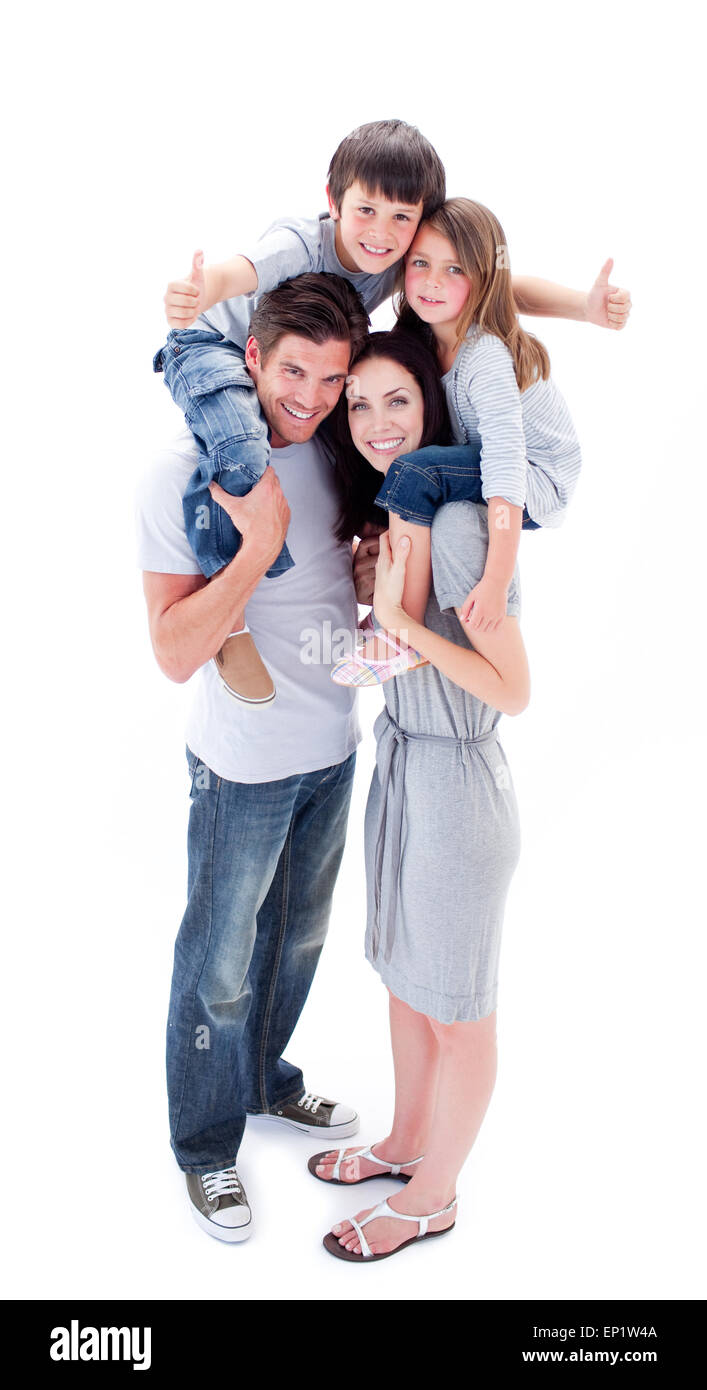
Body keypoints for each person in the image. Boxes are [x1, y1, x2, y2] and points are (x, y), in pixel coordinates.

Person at [156, 119, 629, 701]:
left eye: (402, 219)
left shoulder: (460, 330)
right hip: (218, 350)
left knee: (399, 460)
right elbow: (247, 268)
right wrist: (205, 290)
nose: (384, 237)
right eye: (368, 213)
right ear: (334, 202)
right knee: (295, 446)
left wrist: (585, 306)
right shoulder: (340, 264)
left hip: (534, 476)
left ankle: (391, 623)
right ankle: (280, 608)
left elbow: (504, 298)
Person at [135, 271, 373, 1244]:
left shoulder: (332, 447)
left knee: (298, 942)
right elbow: (173, 651)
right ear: (250, 361)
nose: (311, 395)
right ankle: (203, 1146)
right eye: (292, 372)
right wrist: (255, 544)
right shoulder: (179, 473)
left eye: (330, 376)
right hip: (239, 766)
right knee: (218, 964)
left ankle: (265, 1080)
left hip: (331, 746)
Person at [308, 331, 531, 1263]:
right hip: (403, 761)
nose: (374, 423)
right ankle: (404, 1144)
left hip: (458, 781)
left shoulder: (462, 521)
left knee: (456, 1004)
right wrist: (363, 622)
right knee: (405, 984)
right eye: (356, 404)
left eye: (396, 400)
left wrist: (398, 619)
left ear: (431, 405)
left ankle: (433, 1195)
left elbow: (511, 689)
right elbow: (382, 663)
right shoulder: (398, 516)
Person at [330, 197, 585, 687]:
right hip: (485, 461)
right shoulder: (421, 335)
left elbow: (506, 465)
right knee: (412, 466)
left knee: (418, 471)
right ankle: (392, 615)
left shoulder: (484, 356)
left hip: (537, 476)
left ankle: (398, 635)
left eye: (454, 270)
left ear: (483, 281)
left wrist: (494, 581)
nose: (431, 282)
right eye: (420, 264)